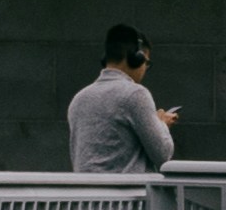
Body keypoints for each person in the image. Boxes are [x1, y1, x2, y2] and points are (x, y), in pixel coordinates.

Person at [66, 23, 177, 174]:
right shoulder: (135, 94)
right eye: (147, 63)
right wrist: (162, 125)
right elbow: (163, 155)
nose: (145, 69)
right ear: (137, 58)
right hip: (129, 195)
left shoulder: (79, 99)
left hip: (88, 195)